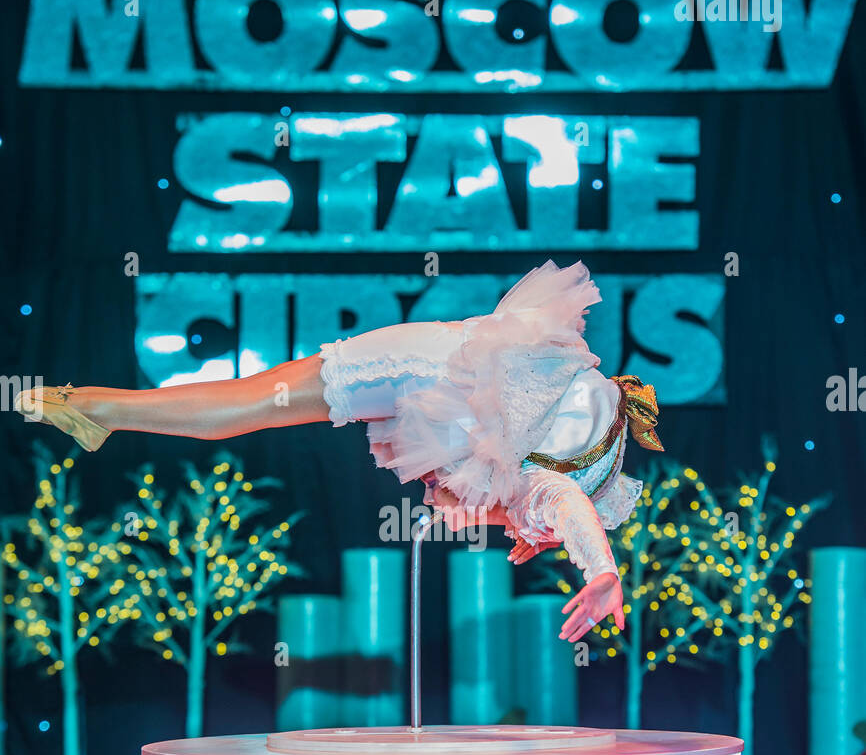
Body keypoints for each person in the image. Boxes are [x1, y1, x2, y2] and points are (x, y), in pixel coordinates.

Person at [15, 259, 663, 643]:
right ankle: (95, 407)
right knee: (255, 401)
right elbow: (563, 504)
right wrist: (599, 571)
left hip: (447, 367)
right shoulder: (554, 479)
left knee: (255, 403)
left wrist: (544, 533)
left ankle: (98, 409)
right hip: (435, 371)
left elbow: (499, 503)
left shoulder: (568, 433)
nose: (529, 539)